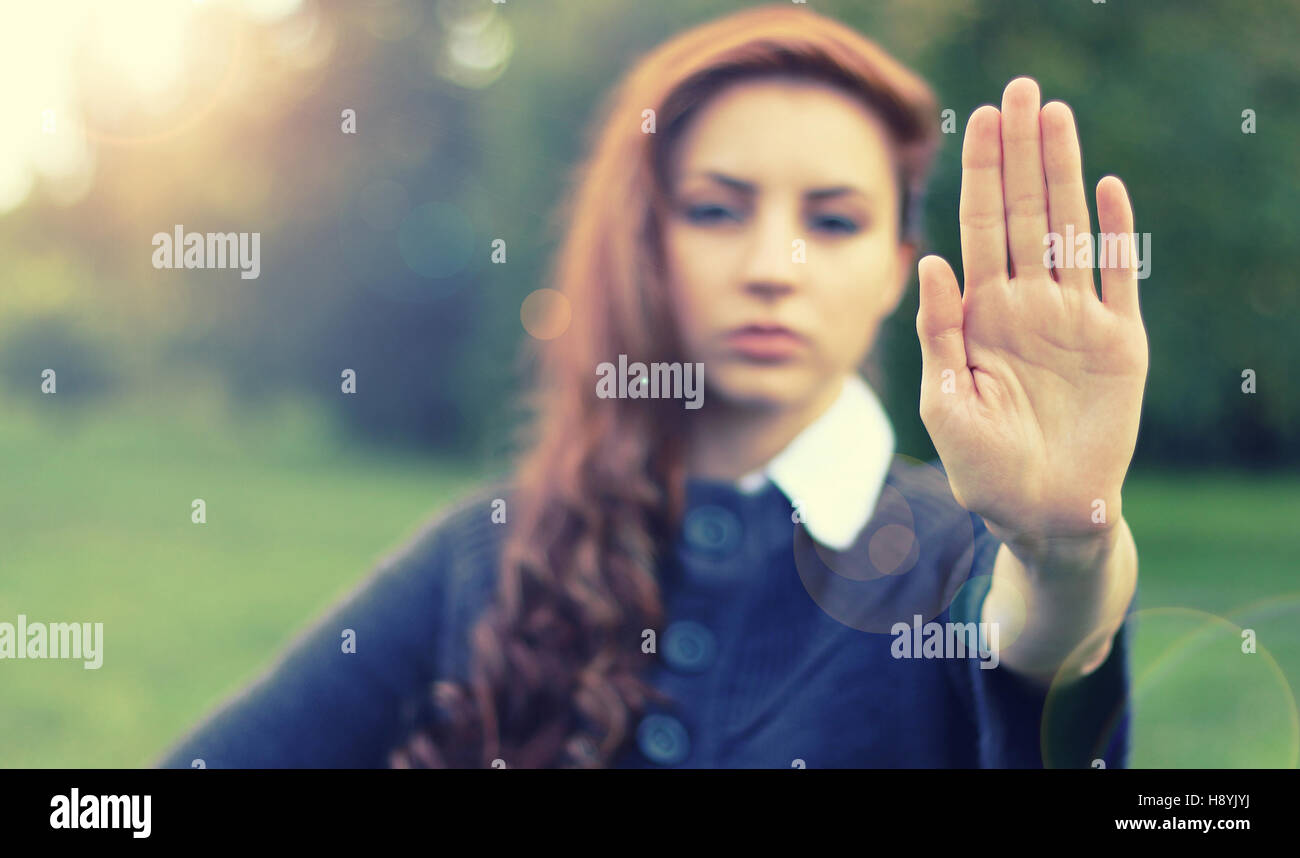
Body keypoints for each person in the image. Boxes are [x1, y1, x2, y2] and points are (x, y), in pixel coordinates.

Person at [156, 3, 1145, 769]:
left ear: (897, 265)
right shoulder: (489, 551)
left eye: (834, 221)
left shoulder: (961, 555)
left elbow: (1042, 643)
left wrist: (1064, 550)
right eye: (716, 210)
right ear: (649, 244)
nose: (774, 264)